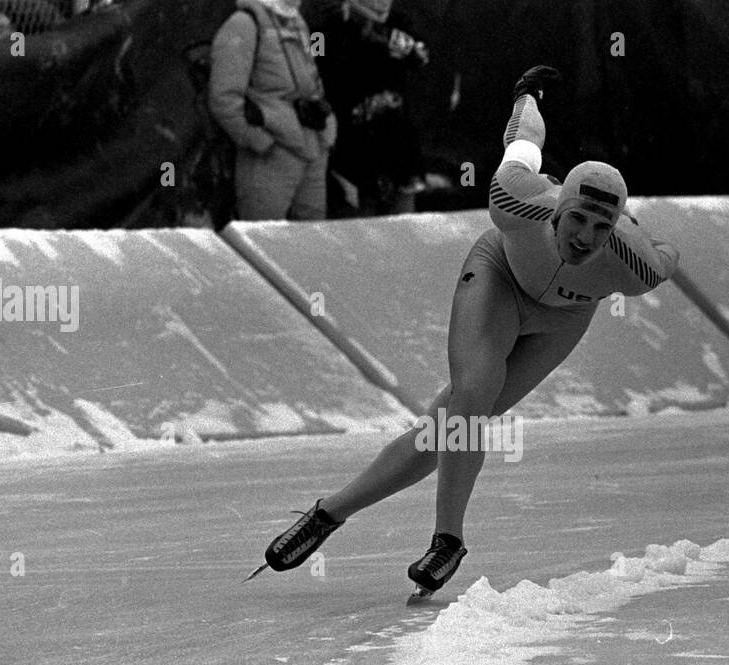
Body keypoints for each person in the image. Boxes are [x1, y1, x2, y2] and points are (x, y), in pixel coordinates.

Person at [248, 66, 680, 596]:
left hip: (562, 319)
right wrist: (527, 93)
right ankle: (448, 539)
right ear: (556, 211)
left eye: (601, 227)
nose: (586, 237)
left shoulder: (635, 266)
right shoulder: (515, 198)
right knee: (472, 394)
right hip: (498, 277)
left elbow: (668, 256)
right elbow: (525, 141)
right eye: (577, 220)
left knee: (448, 427)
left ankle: (328, 512)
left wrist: (637, 234)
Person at [208, 0, 336, 221]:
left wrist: (326, 131)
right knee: (266, 240)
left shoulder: (297, 21)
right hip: (270, 158)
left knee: (313, 244)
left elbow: (312, 81)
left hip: (312, 149)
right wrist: (261, 142)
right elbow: (224, 98)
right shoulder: (244, 24)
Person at [307, 0, 430, 216]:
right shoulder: (328, 27)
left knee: (404, 211)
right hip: (350, 140)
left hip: (396, 136)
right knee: (361, 211)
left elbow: (420, 56)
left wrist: (388, 38)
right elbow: (315, 72)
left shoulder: (398, 23)